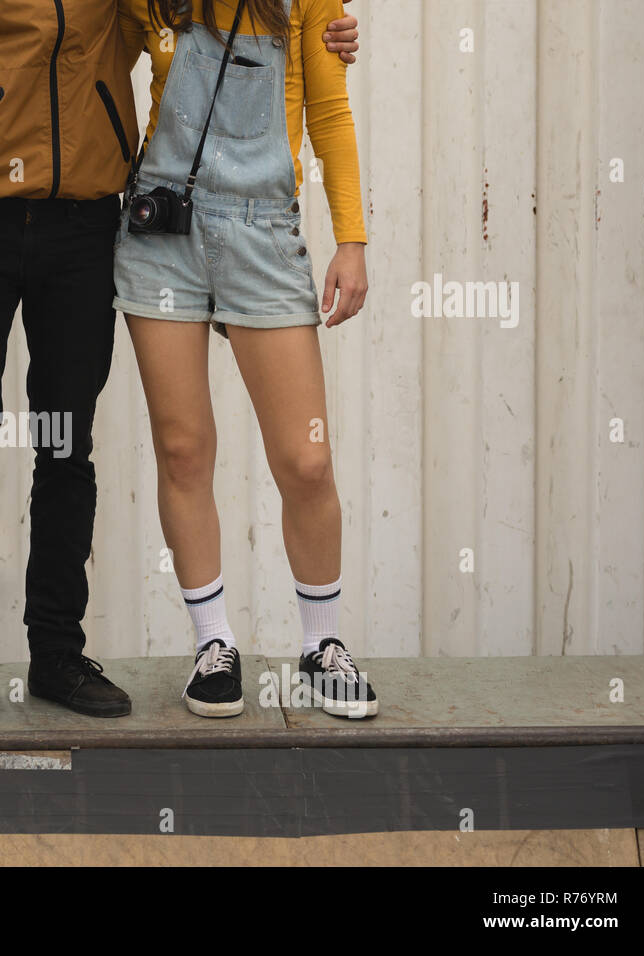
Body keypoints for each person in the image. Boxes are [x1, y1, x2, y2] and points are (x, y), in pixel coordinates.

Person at [0, 0, 361, 727]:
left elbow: (226, 46)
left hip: (85, 227)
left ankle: (58, 655)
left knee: (67, 447)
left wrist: (325, 27)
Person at [114, 0, 377, 719]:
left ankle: (322, 642)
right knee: (183, 450)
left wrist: (350, 239)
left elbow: (329, 114)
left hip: (264, 237)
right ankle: (213, 643)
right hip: (160, 232)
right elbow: (83, 58)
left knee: (307, 460)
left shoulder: (307, 6)